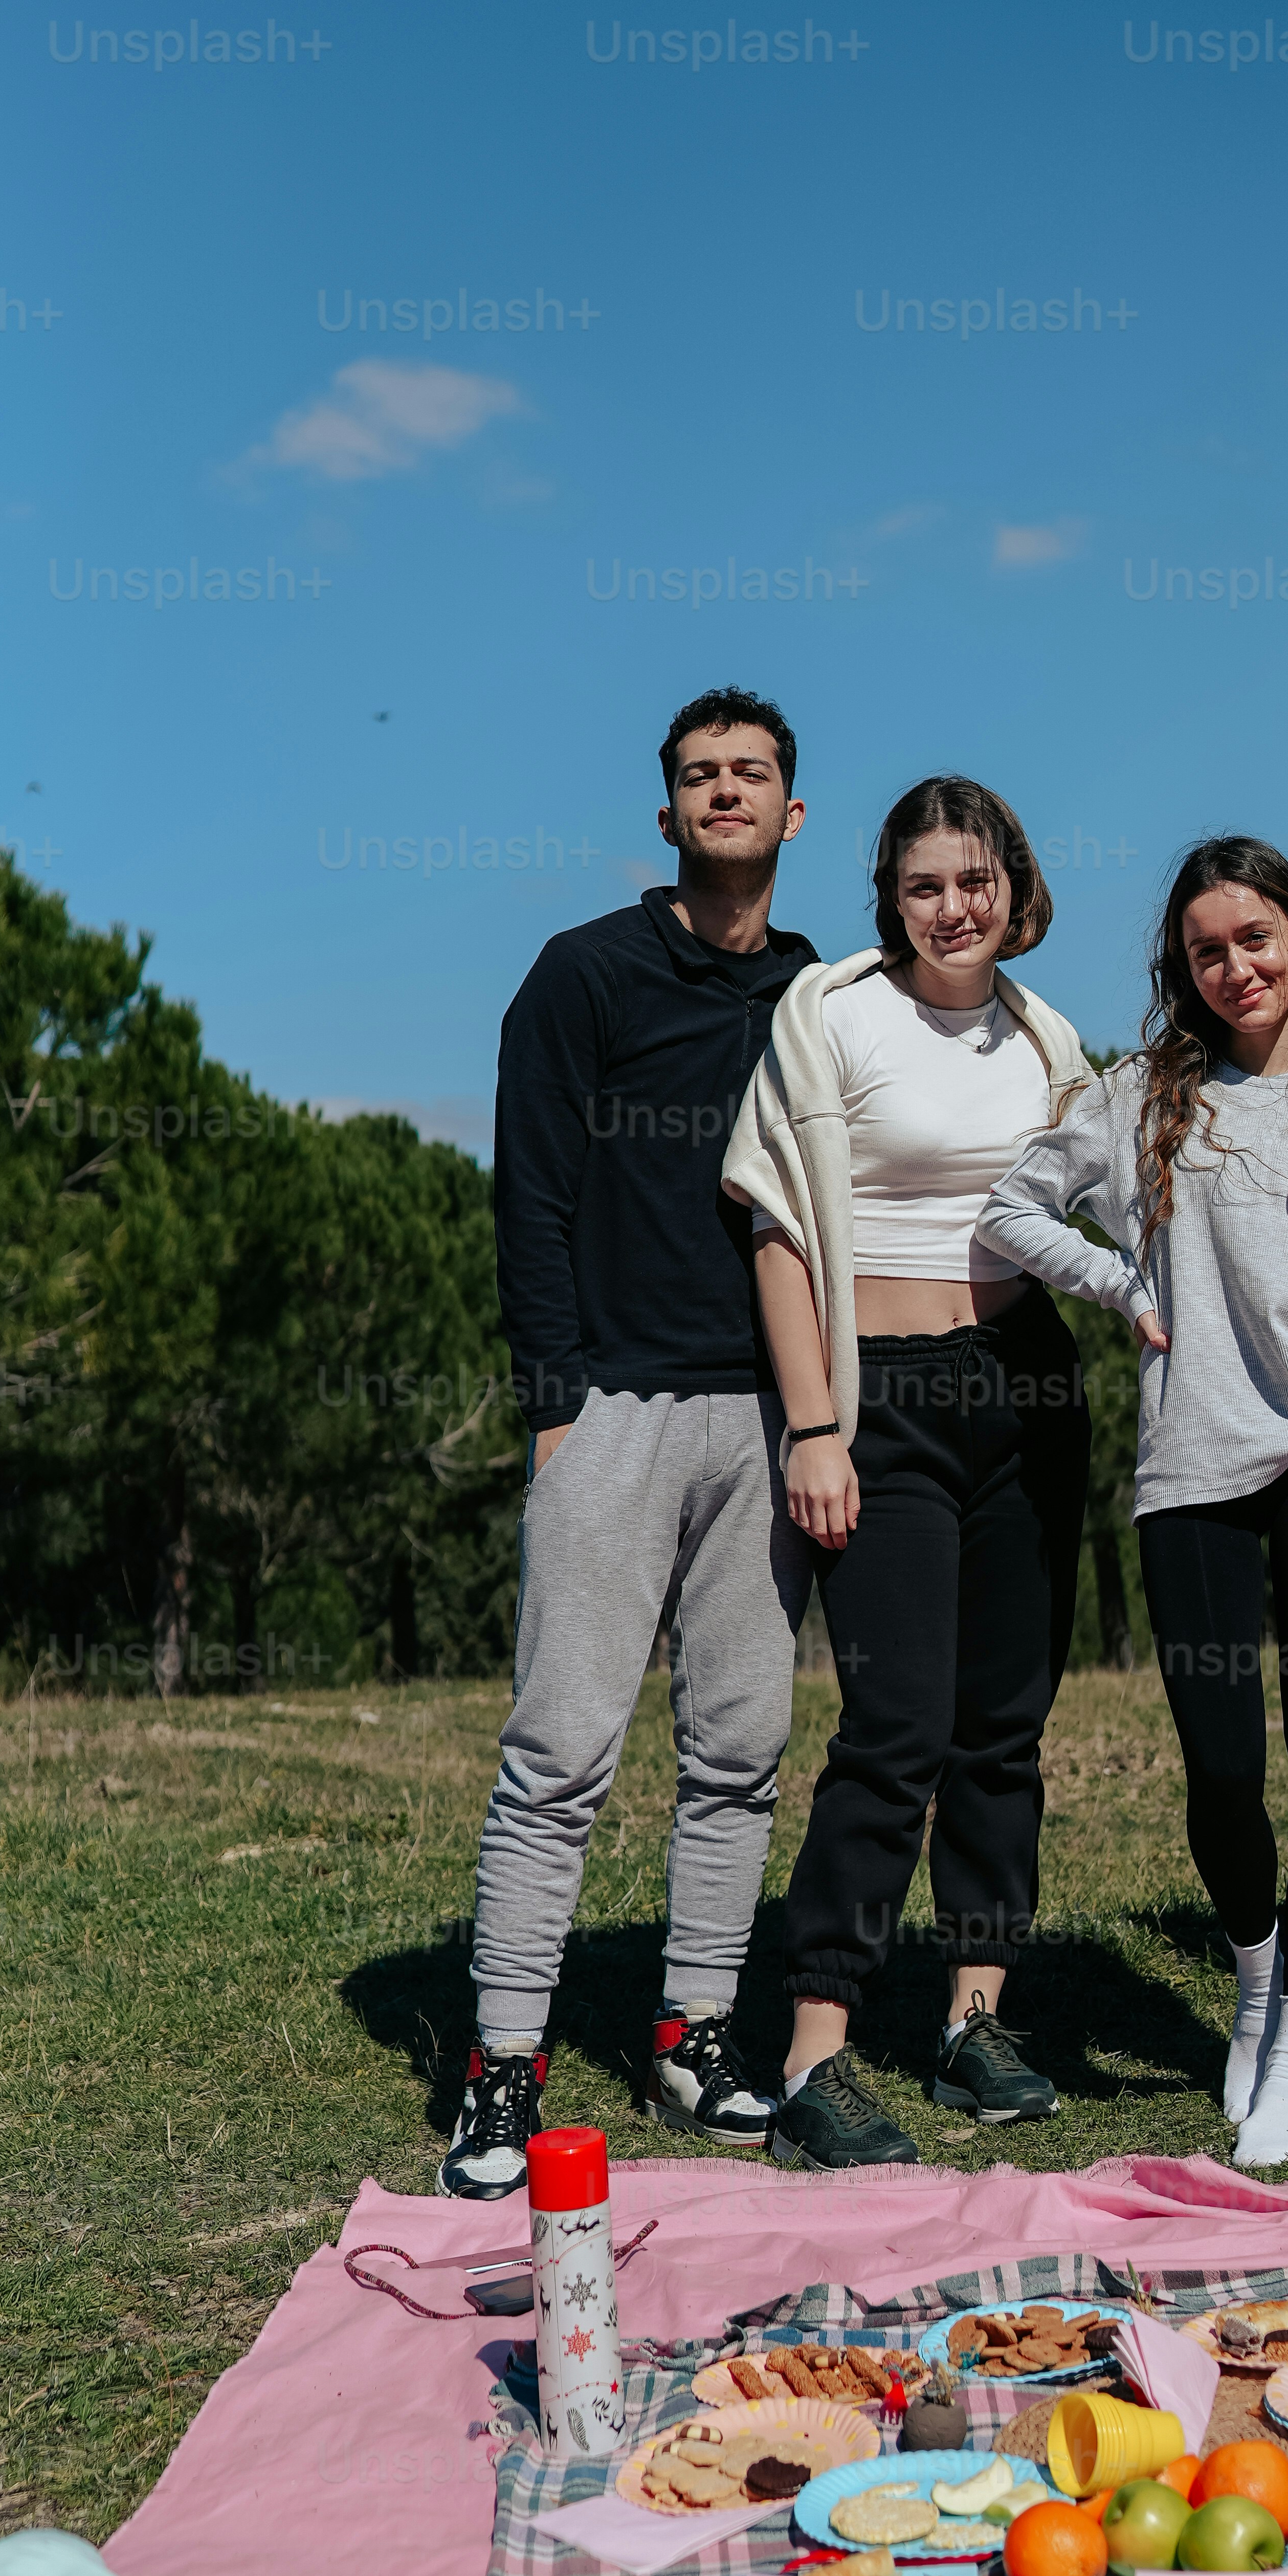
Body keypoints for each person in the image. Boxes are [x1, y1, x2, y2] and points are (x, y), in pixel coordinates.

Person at [978, 839, 1288, 2167]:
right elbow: (1013, 1211)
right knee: (1225, 1767)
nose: (1236, 967)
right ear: (1182, 971)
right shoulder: (1141, 1101)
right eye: (1206, 951)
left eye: (1255, 939)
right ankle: (1254, 1980)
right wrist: (1124, 1283)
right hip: (1192, 1456)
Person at [441, 686, 821, 2200]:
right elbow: (528, 1195)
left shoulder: (816, 994)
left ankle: (694, 2032)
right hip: (613, 1409)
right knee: (559, 1754)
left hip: (769, 1416)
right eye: (700, 775)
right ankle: (502, 2069)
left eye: (752, 772)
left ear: (792, 812)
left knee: (741, 1749)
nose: (726, 790)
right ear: (668, 814)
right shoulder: (583, 973)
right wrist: (556, 1403)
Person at [723, 777, 1093, 2169]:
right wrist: (815, 1426)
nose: (953, 907)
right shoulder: (831, 1014)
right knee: (896, 1727)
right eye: (925, 884)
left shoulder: (1048, 1039)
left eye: (976, 880)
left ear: (1015, 887)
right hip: (881, 1396)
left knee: (1003, 1724)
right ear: (890, 896)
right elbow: (775, 1226)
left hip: (1028, 1385)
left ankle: (972, 2020)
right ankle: (815, 2052)